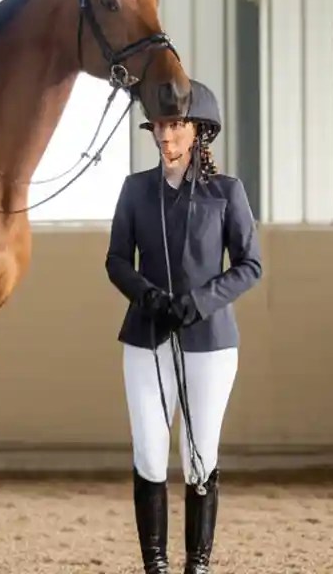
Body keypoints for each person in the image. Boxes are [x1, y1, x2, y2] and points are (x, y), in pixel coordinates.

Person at [104, 79, 263, 574]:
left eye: (176, 125)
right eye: (160, 125)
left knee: (199, 455)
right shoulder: (134, 189)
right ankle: (155, 565)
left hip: (209, 342)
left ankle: (198, 565)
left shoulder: (226, 192)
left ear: (198, 132)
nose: (166, 134)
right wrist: (148, 297)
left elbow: (249, 264)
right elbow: (116, 260)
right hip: (146, 338)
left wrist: (198, 302)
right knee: (150, 452)